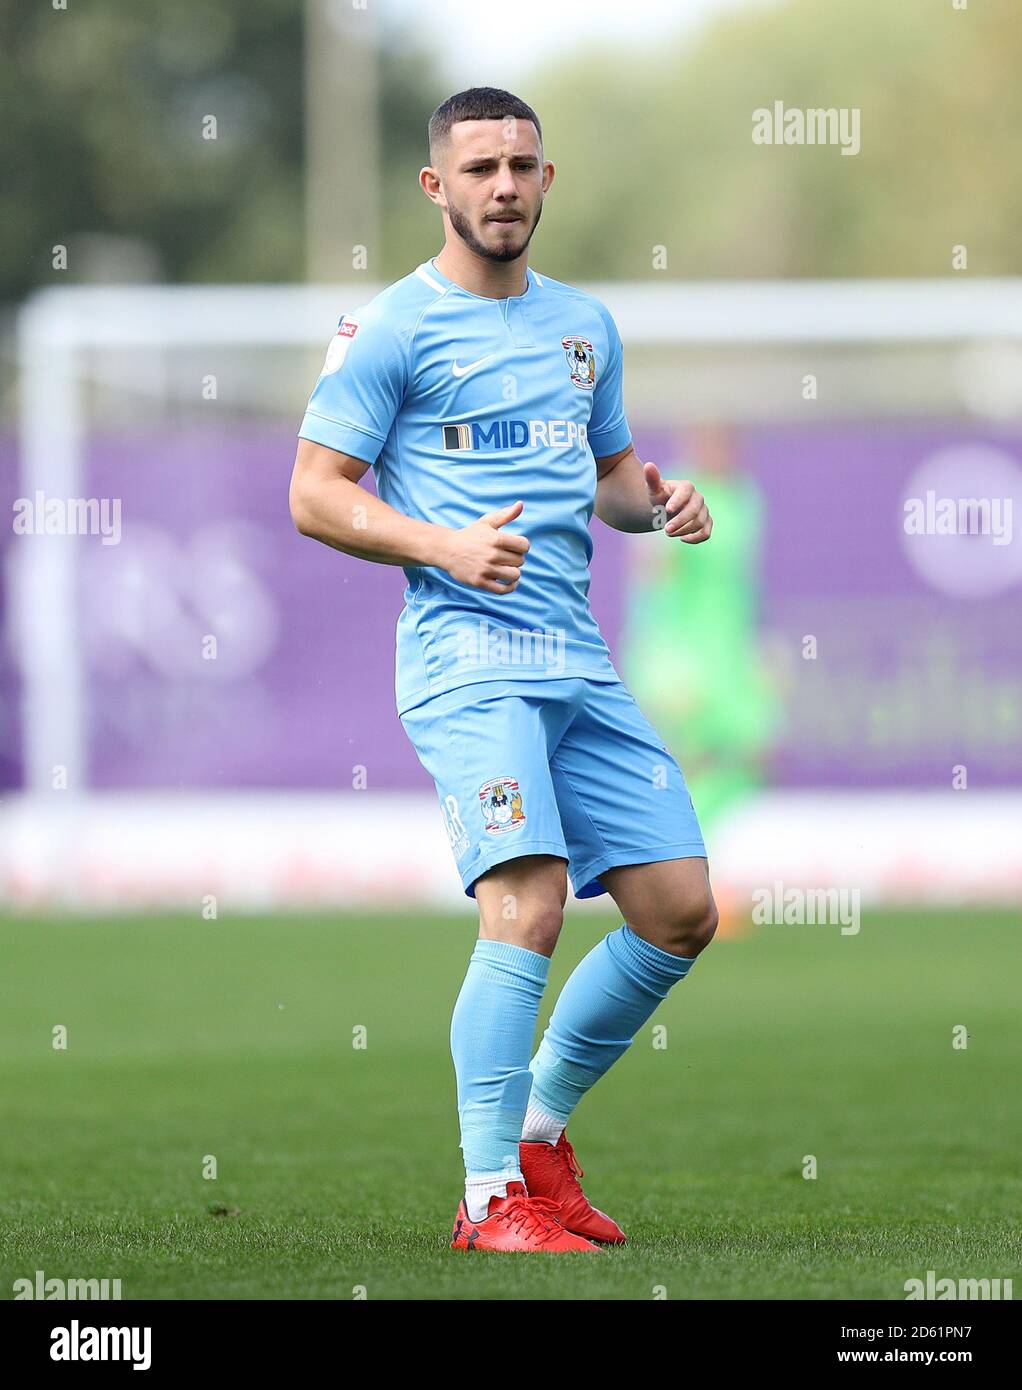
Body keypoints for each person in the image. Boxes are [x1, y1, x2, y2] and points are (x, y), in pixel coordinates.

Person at [290, 87, 717, 1254]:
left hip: (575, 656)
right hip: (465, 660)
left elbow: (612, 475)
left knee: (678, 913)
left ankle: (536, 1132)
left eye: (521, 166)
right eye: (479, 169)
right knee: (524, 905)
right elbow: (314, 493)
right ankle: (487, 1201)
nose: (504, 188)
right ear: (436, 186)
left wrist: (660, 499)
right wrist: (440, 544)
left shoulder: (584, 326)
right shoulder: (389, 327)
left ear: (545, 177)